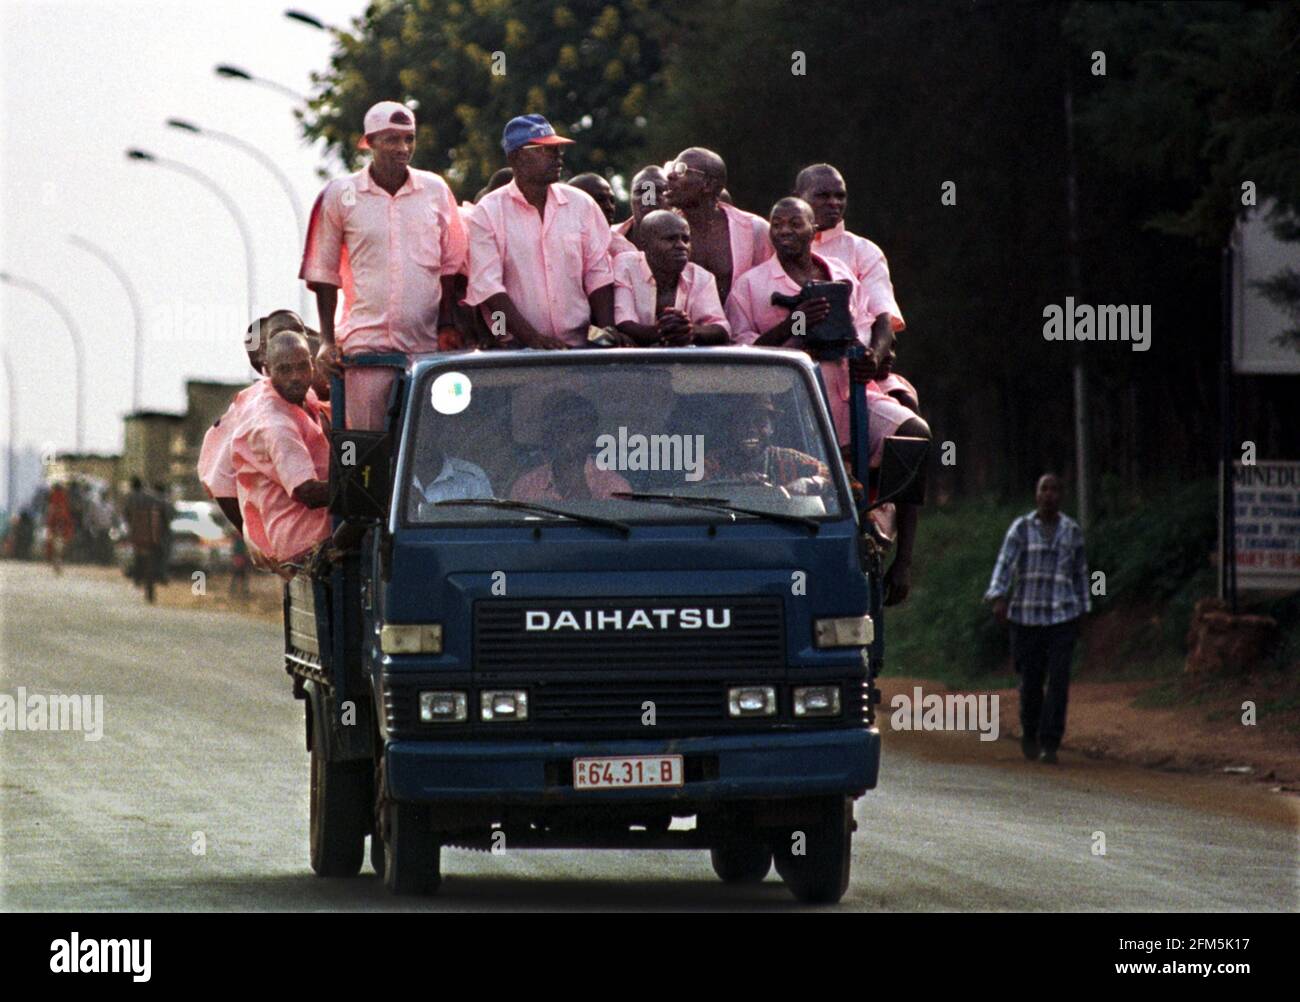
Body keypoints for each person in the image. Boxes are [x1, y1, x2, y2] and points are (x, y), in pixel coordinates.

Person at [727, 197, 929, 604]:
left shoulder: (840, 275)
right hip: (791, 409)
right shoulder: (751, 284)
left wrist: (869, 359)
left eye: (794, 224)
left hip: (848, 391)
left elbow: (862, 330)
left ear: (811, 230)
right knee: (809, 498)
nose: (784, 231)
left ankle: (894, 541)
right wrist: (794, 325)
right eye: (777, 224)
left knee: (914, 433)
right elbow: (740, 354)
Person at [301, 100, 468, 429]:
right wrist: (327, 342)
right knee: (367, 449)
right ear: (370, 142)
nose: (403, 148)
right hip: (365, 348)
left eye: (409, 138)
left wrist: (448, 325)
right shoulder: (339, 194)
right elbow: (323, 272)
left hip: (426, 351)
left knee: (426, 444)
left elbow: (453, 265)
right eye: (392, 139)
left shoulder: (435, 190)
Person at [465, 115, 615, 348]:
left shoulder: (581, 204)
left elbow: (599, 273)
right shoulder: (489, 211)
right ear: (516, 157)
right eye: (546, 150)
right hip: (516, 349)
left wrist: (606, 332)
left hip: (581, 346)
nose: (557, 157)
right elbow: (487, 287)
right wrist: (532, 339)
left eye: (557, 149)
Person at [984, 473, 1090, 765]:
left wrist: (1084, 608)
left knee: (1058, 681)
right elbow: (1004, 564)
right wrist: (998, 597)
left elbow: (1082, 574)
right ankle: (1030, 732)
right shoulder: (1021, 528)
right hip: (1026, 618)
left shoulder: (1072, 531)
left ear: (1062, 495)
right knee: (1030, 682)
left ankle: (1051, 742)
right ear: (1036, 494)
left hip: (1062, 616)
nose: (1049, 495)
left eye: (1055, 489)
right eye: (1044, 489)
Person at [198, 311, 312, 532]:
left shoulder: (314, 392)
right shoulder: (251, 411)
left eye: (298, 332)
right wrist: (253, 534)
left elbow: (348, 447)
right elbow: (217, 479)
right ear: (263, 357)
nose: (290, 340)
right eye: (279, 335)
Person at [231, 331, 333, 571]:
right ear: (267, 370)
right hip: (305, 541)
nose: (296, 377)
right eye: (285, 370)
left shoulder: (301, 397)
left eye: (301, 367)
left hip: (311, 533)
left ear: (311, 363)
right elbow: (307, 493)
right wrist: (365, 489)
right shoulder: (276, 424)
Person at [795, 163, 905, 336]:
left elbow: (884, 317)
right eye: (823, 195)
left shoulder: (864, 251)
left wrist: (873, 357)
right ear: (798, 198)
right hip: (785, 358)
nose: (834, 203)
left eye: (840, 196)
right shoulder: (775, 244)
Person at [664, 147, 772, 303]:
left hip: (742, 326)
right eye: (672, 167)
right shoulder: (663, 230)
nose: (670, 175)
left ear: (708, 184)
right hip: (683, 325)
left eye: (681, 169)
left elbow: (772, 285)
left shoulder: (756, 229)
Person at [613, 210, 730, 346]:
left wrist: (690, 331)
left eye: (686, 239)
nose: (681, 246)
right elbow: (623, 323)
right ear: (645, 243)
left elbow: (721, 329)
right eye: (670, 239)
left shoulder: (701, 277)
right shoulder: (625, 264)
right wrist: (670, 333)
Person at [511, 391, 631, 501]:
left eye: (580, 431)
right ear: (551, 435)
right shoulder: (527, 485)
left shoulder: (614, 487)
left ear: (593, 437)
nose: (571, 438)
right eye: (563, 429)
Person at [703, 397, 831, 496]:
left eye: (760, 422)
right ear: (733, 429)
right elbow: (693, 488)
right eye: (743, 423)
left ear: (771, 428)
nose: (751, 429)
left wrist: (810, 483)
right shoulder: (714, 461)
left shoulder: (790, 459)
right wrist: (735, 486)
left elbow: (833, 477)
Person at [124, 477, 163, 602]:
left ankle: (138, 579)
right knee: (150, 562)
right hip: (150, 534)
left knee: (139, 557)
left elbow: (127, 515)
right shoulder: (151, 498)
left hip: (138, 533)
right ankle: (150, 588)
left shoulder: (130, 499)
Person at [613, 165, 669, 253]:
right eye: (641, 191)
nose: (649, 198)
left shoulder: (688, 242)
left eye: (658, 190)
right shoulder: (606, 239)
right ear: (630, 197)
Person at [44, 482, 75, 574]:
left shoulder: (54, 497)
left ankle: (56, 563)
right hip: (61, 525)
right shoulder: (63, 497)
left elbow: (51, 511)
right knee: (59, 548)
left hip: (56, 524)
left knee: (55, 547)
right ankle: (58, 563)